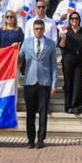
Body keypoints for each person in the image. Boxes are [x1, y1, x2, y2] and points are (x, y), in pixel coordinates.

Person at [19, 19, 58, 149]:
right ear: (33, 29)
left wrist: (54, 84)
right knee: (30, 113)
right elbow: (19, 59)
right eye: (36, 28)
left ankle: (41, 139)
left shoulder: (50, 44)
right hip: (29, 82)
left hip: (44, 82)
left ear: (44, 29)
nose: (38, 31)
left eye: (41, 29)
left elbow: (54, 66)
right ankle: (30, 140)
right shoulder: (26, 43)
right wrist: (13, 49)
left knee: (43, 112)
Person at [59, 12, 82, 114]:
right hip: (68, 59)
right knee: (68, 83)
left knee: (78, 83)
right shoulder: (65, 31)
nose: (74, 20)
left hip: (80, 60)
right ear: (69, 20)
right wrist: (63, 39)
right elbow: (61, 46)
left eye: (76, 18)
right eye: (72, 18)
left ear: (79, 20)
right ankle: (68, 106)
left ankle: (77, 106)